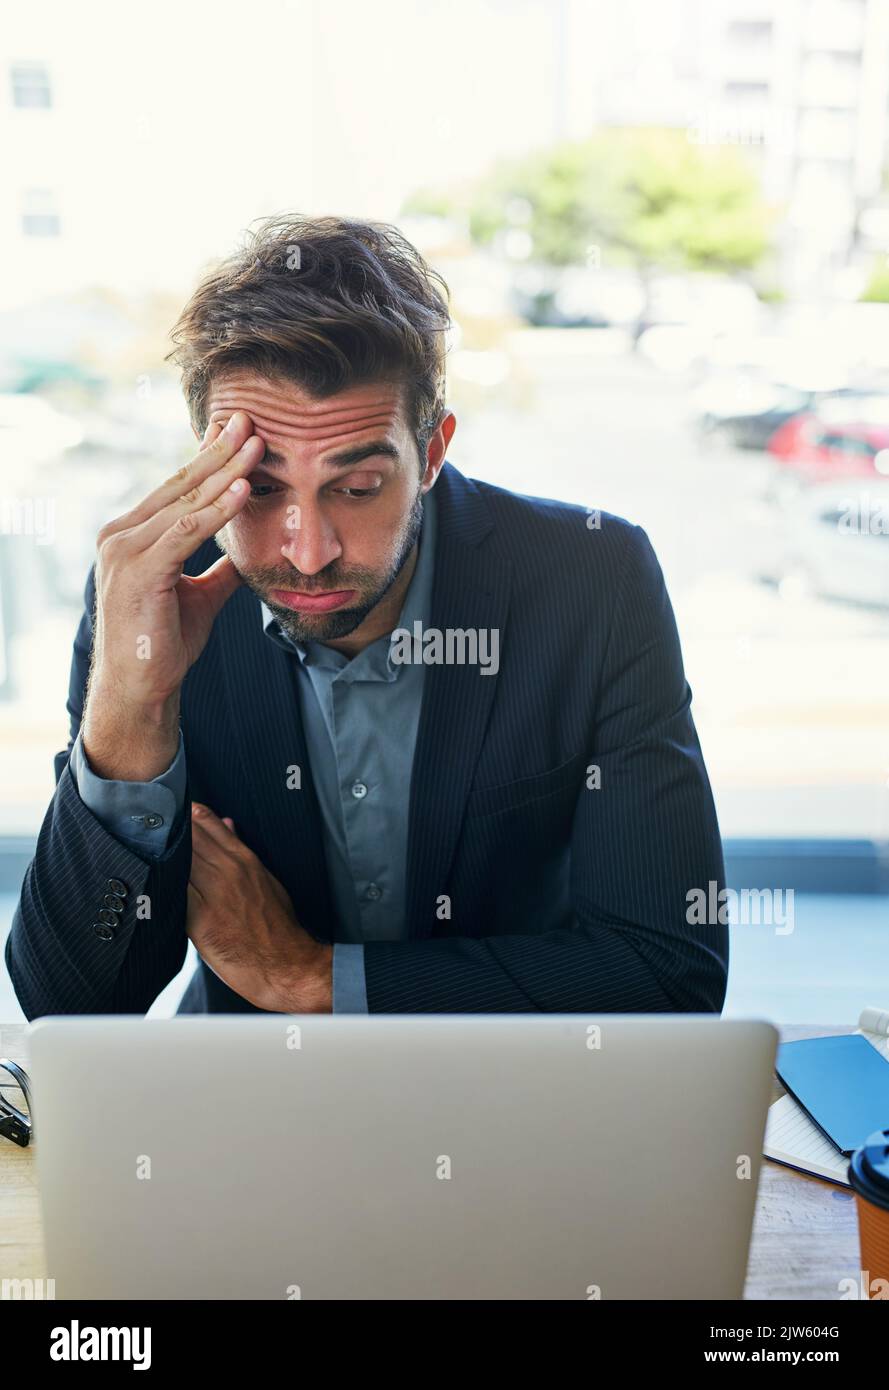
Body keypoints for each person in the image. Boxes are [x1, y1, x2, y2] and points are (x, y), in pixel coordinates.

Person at [6, 214, 728, 1017]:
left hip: (518, 1088)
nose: (307, 551)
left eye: (355, 490)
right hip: (245, 1093)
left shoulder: (593, 579)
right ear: (205, 460)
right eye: (262, 487)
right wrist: (131, 713)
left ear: (431, 453)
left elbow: (669, 973)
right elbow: (69, 1007)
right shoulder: (144, 600)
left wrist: (311, 978)